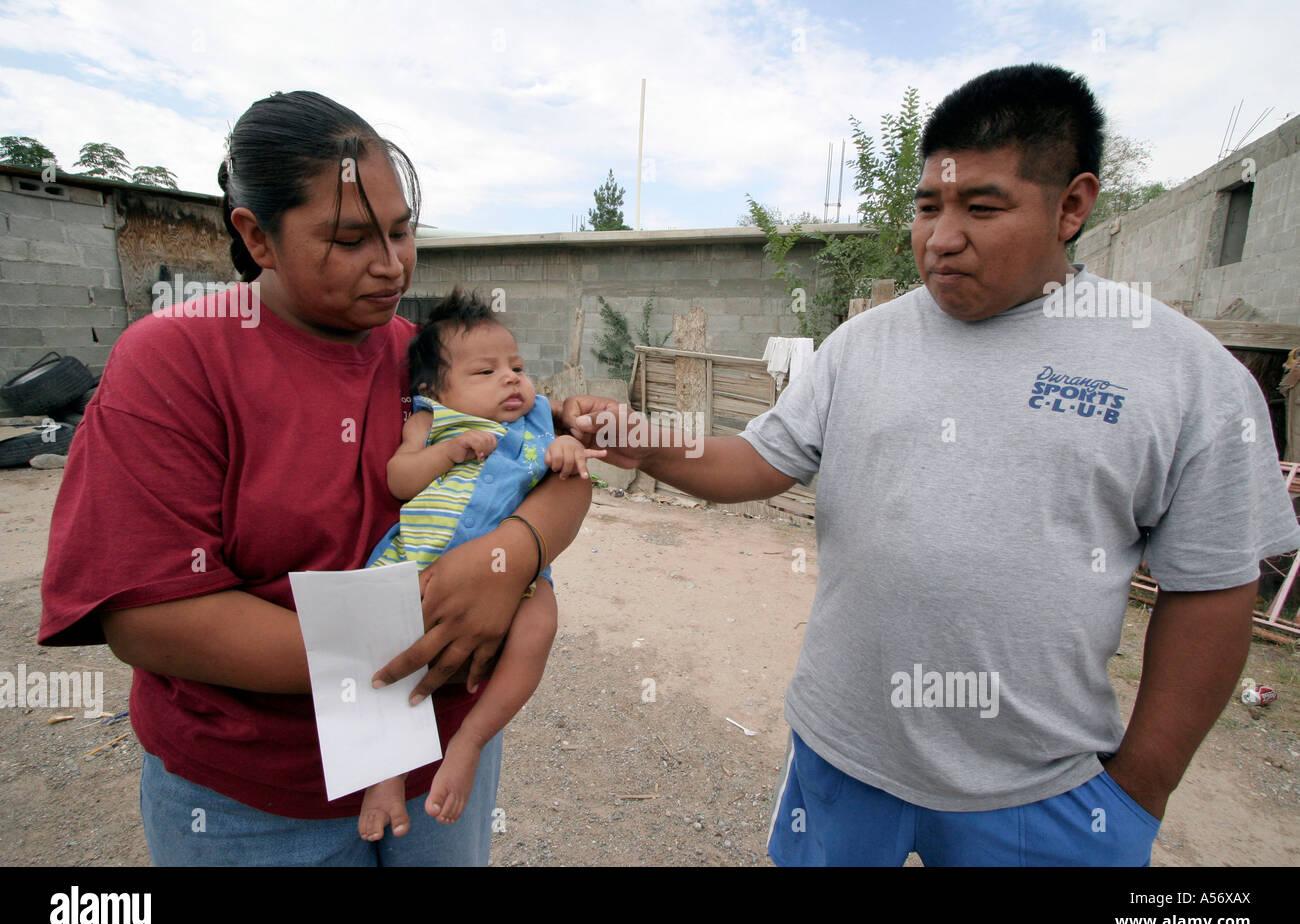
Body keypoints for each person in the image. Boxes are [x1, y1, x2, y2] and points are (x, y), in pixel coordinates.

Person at [564, 63, 1300, 865]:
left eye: (983, 207)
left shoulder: (1185, 374)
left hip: (1043, 795)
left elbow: (1214, 585)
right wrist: (650, 442)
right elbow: (760, 461)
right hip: (841, 759)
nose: (941, 237)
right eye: (927, 206)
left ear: (1073, 205)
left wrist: (1137, 793)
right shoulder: (863, 345)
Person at [37, 91, 591, 866]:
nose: (391, 264)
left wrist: (510, 560)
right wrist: (423, 633)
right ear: (256, 235)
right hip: (254, 801)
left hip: (434, 765)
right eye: (350, 238)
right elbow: (146, 615)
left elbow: (557, 469)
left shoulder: (427, 354)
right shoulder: (174, 360)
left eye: (402, 233)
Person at [359, 289, 600, 840]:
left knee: (541, 623)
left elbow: (563, 470)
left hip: (514, 573)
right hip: (422, 557)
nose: (512, 379)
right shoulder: (431, 422)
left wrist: (567, 451)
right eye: (486, 371)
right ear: (433, 389)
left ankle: (470, 740)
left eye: (517, 366)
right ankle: (385, 773)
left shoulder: (537, 422)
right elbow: (399, 479)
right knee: (384, 644)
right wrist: (448, 451)